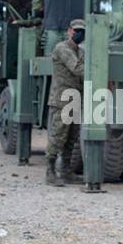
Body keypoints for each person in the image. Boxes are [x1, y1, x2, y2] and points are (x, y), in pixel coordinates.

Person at [45, 19, 85, 186]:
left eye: (82, 31)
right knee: (58, 136)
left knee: (71, 137)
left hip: (75, 99)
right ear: (69, 31)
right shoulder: (62, 48)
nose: (79, 34)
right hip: (62, 99)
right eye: (76, 30)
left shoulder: (81, 52)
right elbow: (78, 69)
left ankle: (66, 171)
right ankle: (50, 171)